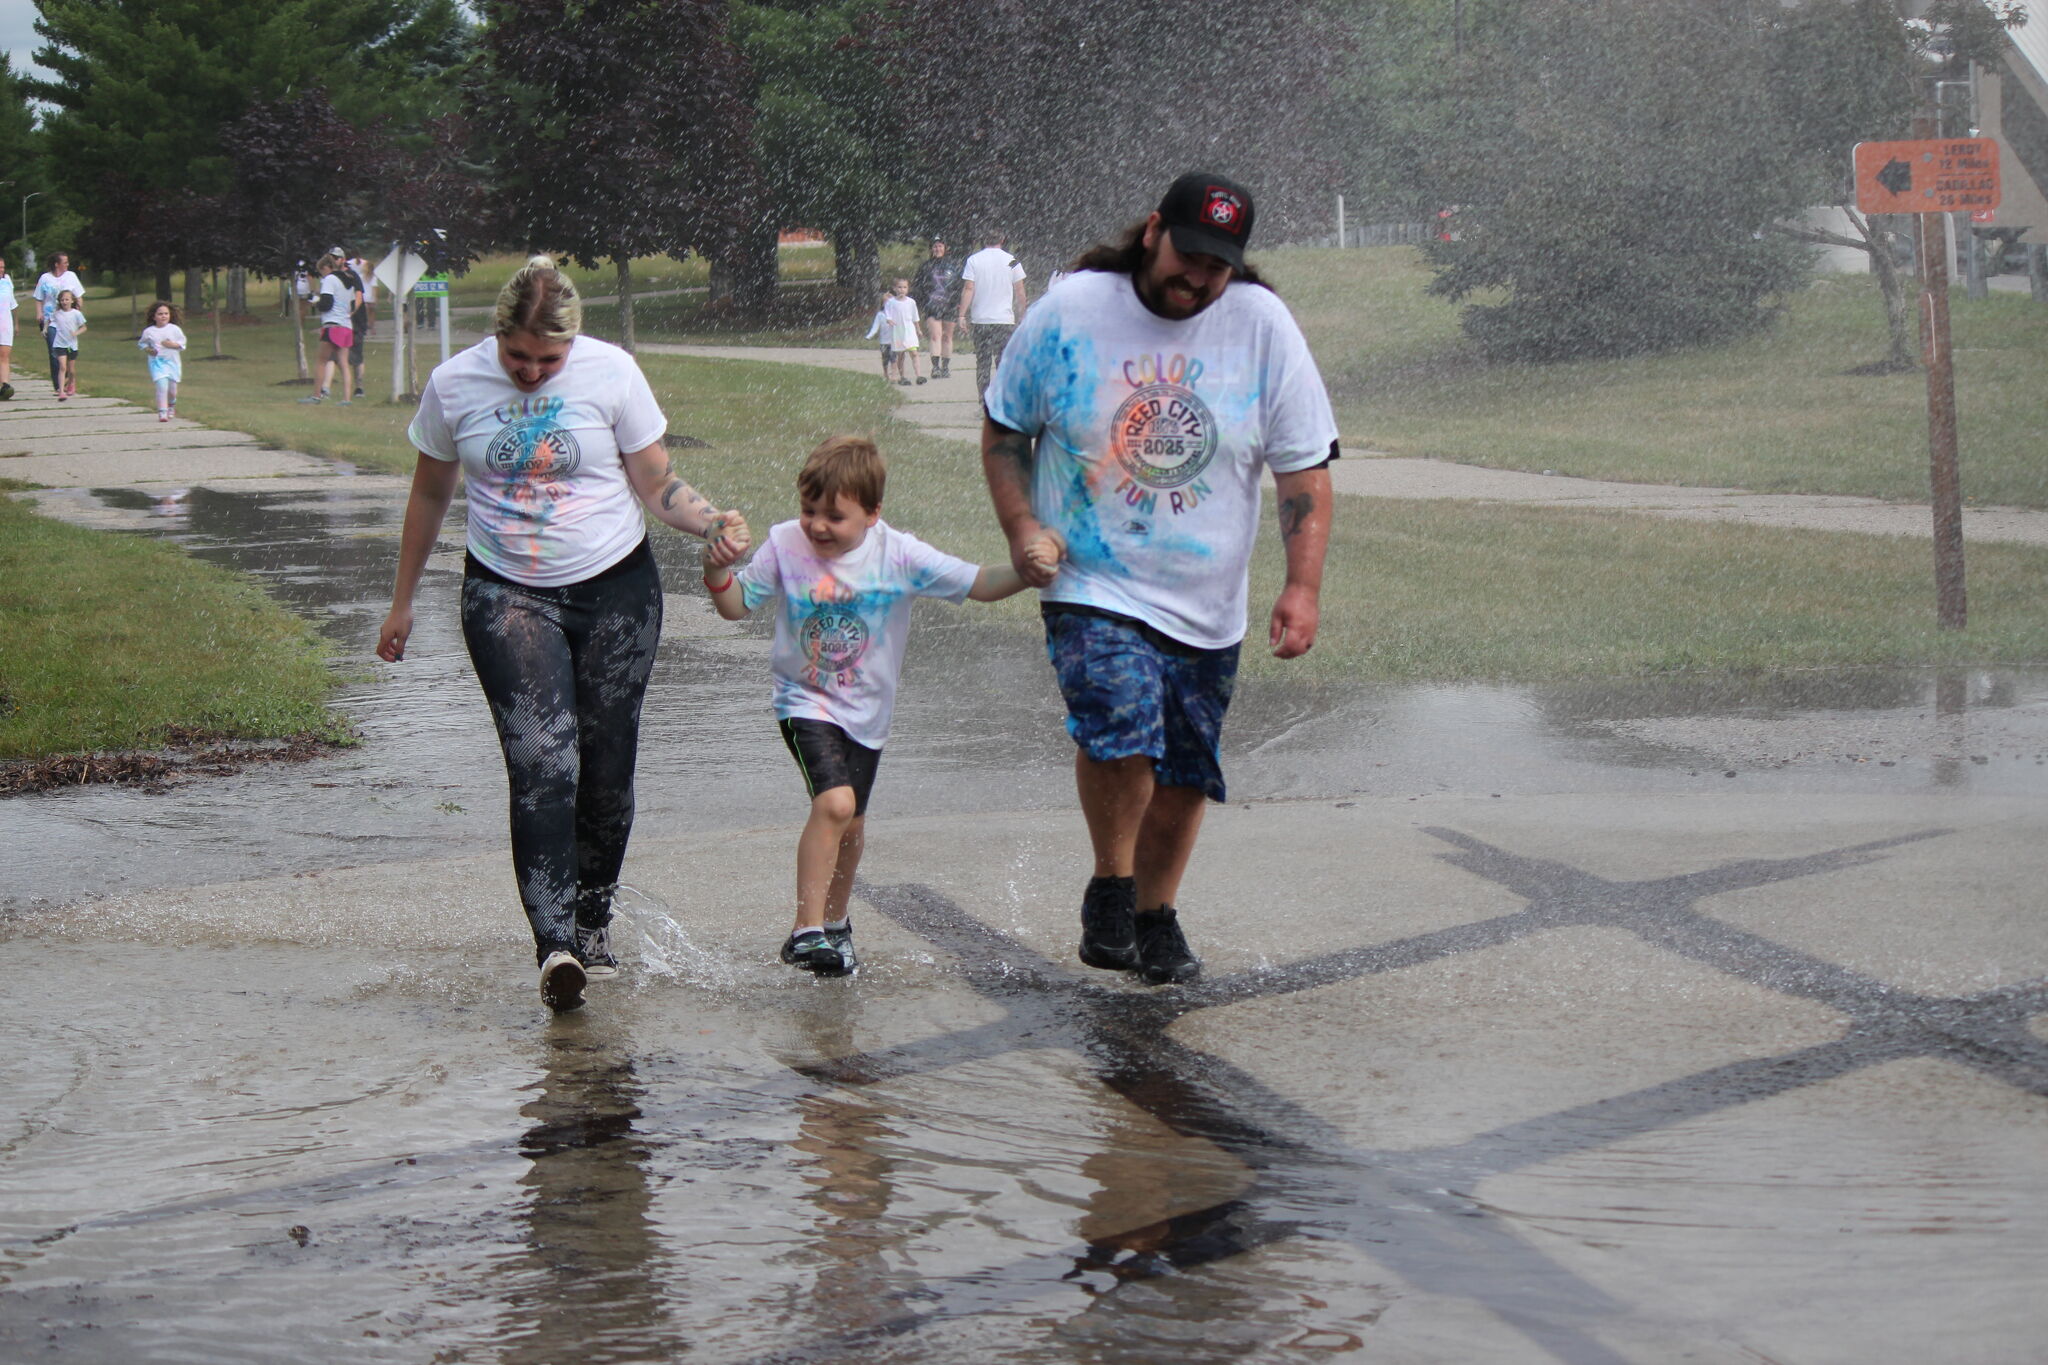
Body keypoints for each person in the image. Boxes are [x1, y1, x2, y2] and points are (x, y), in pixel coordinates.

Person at [979, 171, 1338, 986]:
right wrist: (1023, 528)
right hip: (1092, 579)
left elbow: (1304, 471)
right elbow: (1005, 431)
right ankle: (1111, 885)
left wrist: (1302, 585)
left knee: (1184, 771)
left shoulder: (1261, 324)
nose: (1198, 277)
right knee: (1121, 715)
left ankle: (1154, 911)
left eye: (1218, 264)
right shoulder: (1072, 310)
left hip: (1209, 600)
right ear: (1151, 231)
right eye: (1188, 254)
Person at [376, 255, 754, 1012]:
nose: (531, 371)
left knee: (607, 768)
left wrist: (711, 520)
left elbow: (656, 484)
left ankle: (593, 918)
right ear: (498, 338)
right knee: (543, 762)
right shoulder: (455, 384)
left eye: (548, 359)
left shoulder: (611, 374)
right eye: (518, 356)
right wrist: (401, 600)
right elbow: (428, 492)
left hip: (616, 587)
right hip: (507, 590)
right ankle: (555, 948)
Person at [705, 435, 1063, 977]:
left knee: (852, 825)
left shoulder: (900, 554)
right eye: (809, 511)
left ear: (874, 513)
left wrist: (1026, 573)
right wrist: (716, 571)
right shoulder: (785, 544)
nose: (817, 526)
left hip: (868, 715)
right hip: (803, 700)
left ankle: (837, 924)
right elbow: (734, 606)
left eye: (835, 516)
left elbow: (980, 583)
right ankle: (805, 931)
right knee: (835, 805)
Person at [957, 230, 1027, 402]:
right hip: (1004, 320)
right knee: (1004, 362)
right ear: (1002, 240)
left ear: (983, 240)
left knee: (983, 362)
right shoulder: (1011, 261)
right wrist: (1022, 314)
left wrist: (961, 315)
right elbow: (1019, 290)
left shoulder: (974, 260)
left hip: (981, 319)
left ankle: (984, 400)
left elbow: (968, 288)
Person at [299, 253, 357, 405]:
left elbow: (326, 304)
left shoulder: (330, 280)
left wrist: (315, 302)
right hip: (346, 325)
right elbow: (351, 304)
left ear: (326, 267)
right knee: (344, 363)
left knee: (321, 361)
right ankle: (347, 398)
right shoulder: (349, 282)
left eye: (321, 271)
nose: (321, 275)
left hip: (332, 324)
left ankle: (316, 395)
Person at [34, 251, 84, 396]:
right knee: (54, 352)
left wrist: (78, 309)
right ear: (57, 264)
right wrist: (39, 313)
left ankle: (70, 382)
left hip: (68, 321)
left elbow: (79, 296)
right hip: (50, 320)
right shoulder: (45, 278)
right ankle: (58, 385)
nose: (67, 265)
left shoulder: (71, 276)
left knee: (69, 352)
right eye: (65, 262)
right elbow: (38, 298)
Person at [911, 238, 962, 379]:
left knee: (947, 336)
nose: (937, 249)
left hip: (950, 305)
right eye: (935, 246)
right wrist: (921, 303)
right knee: (935, 335)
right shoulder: (925, 266)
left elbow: (960, 286)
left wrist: (958, 302)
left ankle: (945, 367)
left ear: (945, 248)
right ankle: (935, 367)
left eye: (940, 246)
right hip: (932, 306)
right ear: (931, 249)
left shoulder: (953, 266)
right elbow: (918, 286)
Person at [138, 300, 187, 421]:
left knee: (172, 390)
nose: (163, 316)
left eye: (166, 313)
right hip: (157, 363)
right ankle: (162, 412)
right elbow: (142, 343)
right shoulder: (149, 332)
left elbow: (182, 345)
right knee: (161, 386)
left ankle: (171, 405)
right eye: (160, 314)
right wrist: (148, 350)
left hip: (173, 363)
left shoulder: (175, 329)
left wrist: (171, 345)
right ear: (154, 317)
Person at [340, 247, 375, 398]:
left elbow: (358, 298)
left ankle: (355, 387)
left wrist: (351, 312)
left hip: (348, 319)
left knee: (342, 355)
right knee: (355, 355)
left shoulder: (343, 276)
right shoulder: (356, 274)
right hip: (356, 320)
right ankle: (358, 387)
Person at [882, 277, 924, 386]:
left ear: (908, 289)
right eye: (899, 287)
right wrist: (890, 320)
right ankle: (902, 376)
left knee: (914, 353)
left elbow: (915, 317)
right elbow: (888, 315)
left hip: (909, 330)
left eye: (904, 287)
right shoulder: (891, 303)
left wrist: (918, 330)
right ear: (895, 288)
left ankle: (919, 375)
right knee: (901, 355)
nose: (902, 290)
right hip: (898, 331)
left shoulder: (911, 302)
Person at [46, 289, 86, 401]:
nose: (64, 302)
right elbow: (49, 320)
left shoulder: (76, 314)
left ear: (72, 300)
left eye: (67, 299)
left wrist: (76, 333)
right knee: (62, 367)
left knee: (71, 369)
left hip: (72, 345)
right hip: (59, 344)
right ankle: (61, 391)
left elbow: (84, 327)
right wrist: (45, 329)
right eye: (62, 300)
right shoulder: (57, 314)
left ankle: (71, 383)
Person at [863, 290, 893, 380]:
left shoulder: (895, 314)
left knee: (894, 358)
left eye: (890, 302)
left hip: (894, 341)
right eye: (886, 302)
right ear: (882, 304)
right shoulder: (880, 315)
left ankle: (894, 373)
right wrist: (869, 336)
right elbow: (875, 327)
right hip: (884, 341)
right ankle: (886, 372)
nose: (888, 304)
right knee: (885, 358)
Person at [0, 253, 17, 400]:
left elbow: (13, 303)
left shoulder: (7, 281)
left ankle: (5, 385)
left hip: (5, 323)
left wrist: (16, 323)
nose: (1, 270)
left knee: (5, 354)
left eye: (3, 268)